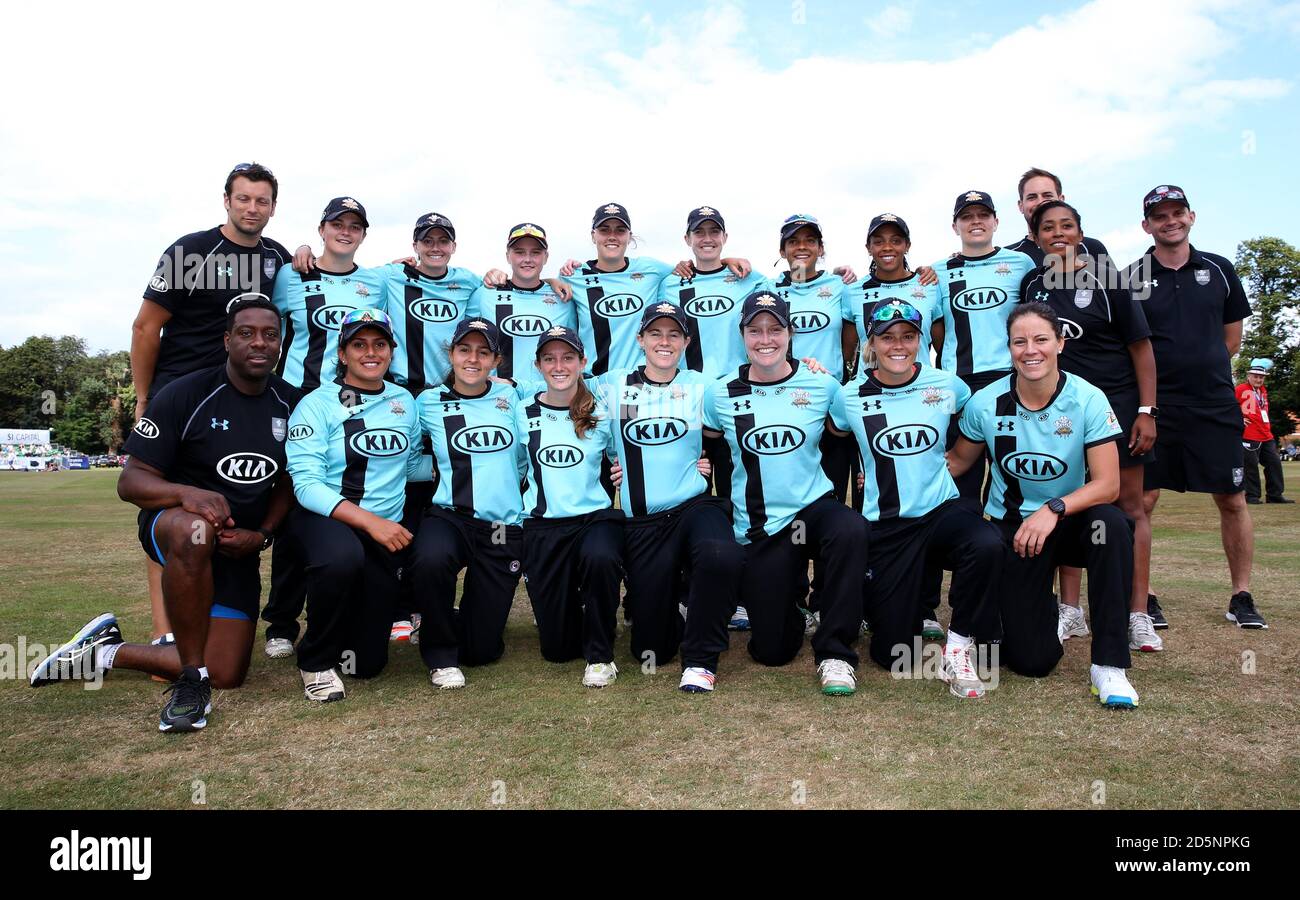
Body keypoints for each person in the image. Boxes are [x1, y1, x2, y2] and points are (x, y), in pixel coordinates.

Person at [32, 296, 299, 732]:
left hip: (236, 550)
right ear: (227, 339)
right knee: (195, 531)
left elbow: (290, 482)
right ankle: (191, 683)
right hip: (174, 530)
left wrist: (265, 534)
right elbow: (130, 482)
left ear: (280, 343)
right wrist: (186, 493)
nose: (259, 343)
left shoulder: (292, 404)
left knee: (229, 673)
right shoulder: (184, 393)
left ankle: (102, 652)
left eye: (270, 335)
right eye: (246, 333)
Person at [949, 302, 1140, 708]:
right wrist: (888, 468)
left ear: (1060, 344)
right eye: (1020, 342)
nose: (1030, 350)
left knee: (1113, 527)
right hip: (1016, 531)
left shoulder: (1087, 398)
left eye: (1041, 339)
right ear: (1009, 348)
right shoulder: (986, 402)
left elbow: (1108, 485)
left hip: (1069, 520)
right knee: (1031, 662)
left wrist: (1052, 508)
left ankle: (1109, 665)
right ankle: (1041, 616)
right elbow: (958, 462)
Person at [131, 162, 290, 650]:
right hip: (183, 393)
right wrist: (145, 398)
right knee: (175, 506)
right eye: (243, 198)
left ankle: (223, 619)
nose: (252, 208)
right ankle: (165, 633)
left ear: (273, 207)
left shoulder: (277, 258)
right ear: (226, 200)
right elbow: (145, 327)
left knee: (240, 503)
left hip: (248, 392)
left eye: (262, 201)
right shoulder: (190, 251)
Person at [830, 299, 1003, 699]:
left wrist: (955, 461)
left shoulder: (947, 385)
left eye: (908, 337)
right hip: (888, 524)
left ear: (920, 340)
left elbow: (978, 421)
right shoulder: (849, 395)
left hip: (939, 512)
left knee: (987, 543)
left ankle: (958, 647)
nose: (898, 345)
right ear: (872, 342)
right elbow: (836, 435)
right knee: (894, 655)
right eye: (887, 337)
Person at [701, 290, 869, 696]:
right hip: (761, 528)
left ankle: (834, 651)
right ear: (742, 335)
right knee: (772, 651)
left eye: (774, 329)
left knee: (850, 529)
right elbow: (703, 445)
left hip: (812, 512)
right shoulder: (720, 392)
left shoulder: (821, 384)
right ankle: (792, 602)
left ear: (790, 334)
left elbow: (853, 430)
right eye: (755, 330)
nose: (765, 339)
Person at [1019, 200, 1162, 653]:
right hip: (1062, 413)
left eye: (1067, 226)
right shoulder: (1032, 284)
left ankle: (1137, 613)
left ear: (1080, 232)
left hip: (1117, 407)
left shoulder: (1108, 279)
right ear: (1035, 236)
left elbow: (1141, 348)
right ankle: (1071, 610)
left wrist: (1147, 409)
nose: (1057, 234)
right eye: (1047, 228)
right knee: (1066, 503)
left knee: (1129, 507)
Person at [1123, 184, 1266, 629]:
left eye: (1177, 212)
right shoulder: (1130, 276)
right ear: (1146, 225)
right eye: (1160, 215)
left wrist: (1202, 370)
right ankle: (1143, 594)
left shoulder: (1220, 269)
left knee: (1232, 497)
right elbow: (1127, 343)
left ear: (1191, 216)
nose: (1170, 221)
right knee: (1142, 499)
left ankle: (1240, 595)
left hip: (1213, 404)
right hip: (1154, 406)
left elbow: (1232, 339)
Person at [261, 197, 389, 658]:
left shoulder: (376, 280)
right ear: (322, 228)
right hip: (300, 398)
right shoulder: (291, 274)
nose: (346, 231)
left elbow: (415, 278)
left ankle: (368, 608)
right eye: (338, 223)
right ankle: (280, 620)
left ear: (363, 234)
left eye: (355, 225)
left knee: (347, 495)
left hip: (355, 402)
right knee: (294, 501)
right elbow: (269, 329)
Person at [284, 308, 431, 702]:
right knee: (340, 557)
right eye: (359, 344)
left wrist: (475, 464)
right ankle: (314, 661)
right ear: (343, 352)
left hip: (382, 529)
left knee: (365, 664)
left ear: (391, 350)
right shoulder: (317, 403)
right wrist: (368, 522)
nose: (371, 352)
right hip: (327, 520)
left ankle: (342, 630)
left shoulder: (403, 399)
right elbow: (306, 484)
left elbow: (413, 465)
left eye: (379, 344)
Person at [599, 302, 744, 693]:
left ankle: (701, 660)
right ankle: (679, 609)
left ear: (686, 341)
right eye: (656, 333)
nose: (665, 342)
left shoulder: (702, 385)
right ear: (641, 338)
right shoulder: (612, 385)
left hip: (693, 506)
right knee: (651, 649)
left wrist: (812, 369)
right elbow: (558, 385)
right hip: (643, 520)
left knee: (721, 554)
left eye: (674, 334)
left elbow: (760, 387)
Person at [408, 317, 527, 689]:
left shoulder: (513, 396)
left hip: (500, 525)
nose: (472, 359)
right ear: (451, 354)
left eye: (483, 351)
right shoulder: (427, 401)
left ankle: (452, 619)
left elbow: (530, 449)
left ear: (496, 360)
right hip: (451, 516)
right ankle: (439, 655)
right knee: (429, 558)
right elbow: (411, 461)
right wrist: (449, 467)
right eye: (464, 349)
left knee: (481, 652)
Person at [516, 327, 625, 687]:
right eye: (550, 358)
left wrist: (697, 465)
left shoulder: (602, 409)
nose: (559, 365)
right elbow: (517, 468)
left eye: (567, 357)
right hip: (544, 526)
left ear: (583, 362)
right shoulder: (522, 410)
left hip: (593, 520)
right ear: (538, 365)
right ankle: (577, 608)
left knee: (600, 558)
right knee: (558, 649)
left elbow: (626, 458)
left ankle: (600, 656)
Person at [558, 203, 752, 377]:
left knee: (631, 418)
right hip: (593, 384)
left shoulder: (651, 270)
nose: (612, 236)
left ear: (629, 236)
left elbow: (697, 268)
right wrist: (551, 279)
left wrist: (727, 261)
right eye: (604, 229)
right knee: (596, 419)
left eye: (620, 230)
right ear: (593, 235)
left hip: (637, 385)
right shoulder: (572, 277)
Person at [656, 206, 767, 508]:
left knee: (738, 487)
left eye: (714, 231)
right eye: (699, 232)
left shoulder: (747, 278)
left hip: (735, 397)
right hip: (688, 401)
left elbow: (786, 292)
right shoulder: (669, 283)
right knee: (691, 492)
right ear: (687, 238)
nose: (707, 238)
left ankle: (741, 550)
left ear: (725, 237)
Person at [930, 191, 1037, 501]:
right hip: (957, 385)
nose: (975, 221)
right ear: (955, 226)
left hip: (1009, 381)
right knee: (960, 474)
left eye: (982, 215)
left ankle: (1013, 540)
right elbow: (937, 328)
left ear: (996, 221)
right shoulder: (937, 272)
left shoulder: (1020, 263)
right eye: (966, 216)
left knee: (1013, 471)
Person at [468, 223, 577, 381]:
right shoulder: (485, 294)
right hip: (499, 397)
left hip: (548, 397)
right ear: (508, 256)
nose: (527, 259)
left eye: (535, 252)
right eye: (519, 252)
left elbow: (575, 350)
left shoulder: (563, 298)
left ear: (546, 257)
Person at [1006, 167, 1110, 266]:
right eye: (1032, 197)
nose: (1040, 202)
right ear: (1021, 206)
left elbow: (1114, 283)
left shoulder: (1091, 248)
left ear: (1061, 200)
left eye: (1047, 195)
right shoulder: (1008, 257)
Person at [1238, 358, 1292, 504]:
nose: (1258, 379)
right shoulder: (1241, 389)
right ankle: (1252, 495)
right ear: (1248, 376)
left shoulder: (1262, 391)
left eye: (1261, 377)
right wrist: (1238, 418)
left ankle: (1275, 495)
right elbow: (1226, 405)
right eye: (1255, 376)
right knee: (1251, 466)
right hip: (1249, 434)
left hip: (1265, 434)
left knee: (1274, 463)